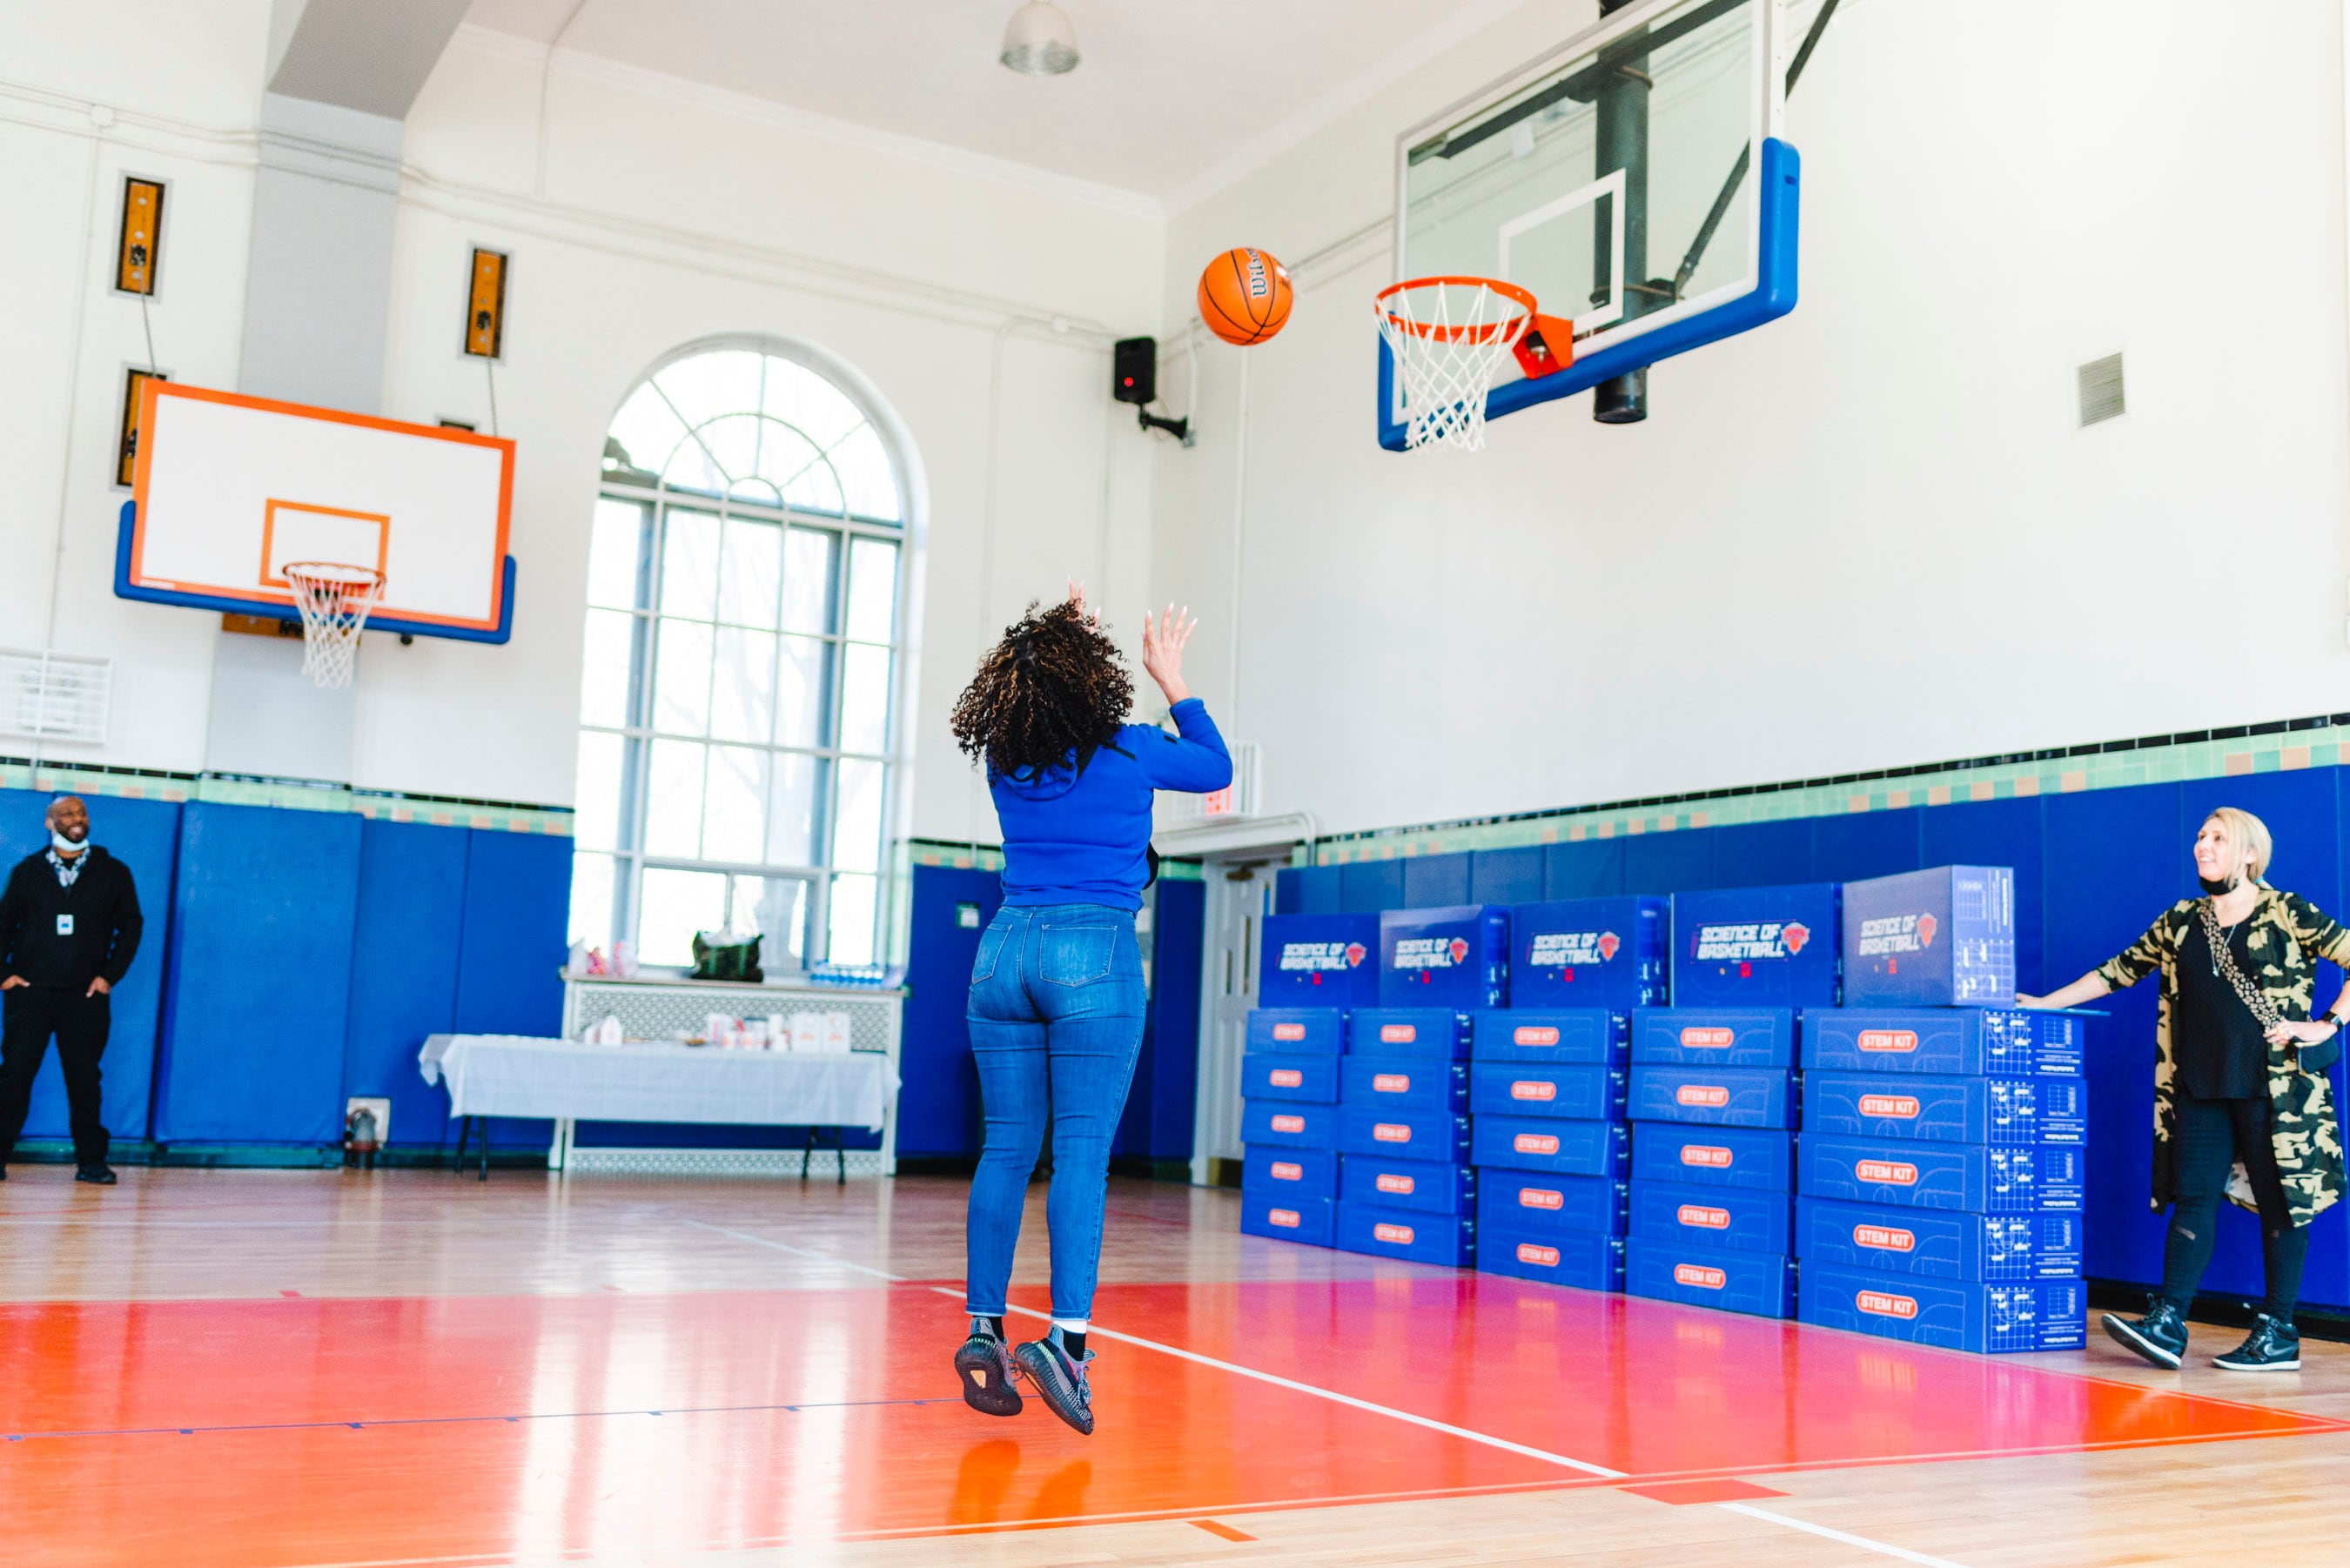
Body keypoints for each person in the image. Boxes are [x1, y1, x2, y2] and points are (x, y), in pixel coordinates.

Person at [946, 587, 1231, 1435]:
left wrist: (1065, 639)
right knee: (1080, 1155)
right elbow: (1214, 765)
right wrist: (1172, 680)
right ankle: (1066, 1345)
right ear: (1096, 677)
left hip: (1003, 954)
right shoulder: (1132, 748)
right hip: (1091, 957)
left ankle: (984, 1329)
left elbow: (1053, 724)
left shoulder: (1006, 759)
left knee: (1005, 1149)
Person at [2021, 807, 2349, 1371]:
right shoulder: (2181, 920)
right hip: (2198, 1083)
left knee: (2281, 1204)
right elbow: (2118, 970)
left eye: (2219, 837)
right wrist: (2047, 1004)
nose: (2203, 845)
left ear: (2250, 853)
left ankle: (2279, 1332)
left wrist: (2327, 1023)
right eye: (2201, 836)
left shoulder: (2287, 910)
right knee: (2194, 1196)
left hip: (2273, 1087)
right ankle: (2168, 1322)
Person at [0, 794, 144, 1185]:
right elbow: (3, 925)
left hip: (85, 996)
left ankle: (92, 1162)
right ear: (49, 823)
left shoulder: (113, 872)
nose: (76, 818)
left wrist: (109, 976)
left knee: (85, 1081)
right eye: (66, 813)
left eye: (81, 812)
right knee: (14, 1077)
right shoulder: (27, 872)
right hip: (32, 994)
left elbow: (131, 926)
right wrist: (5, 974)